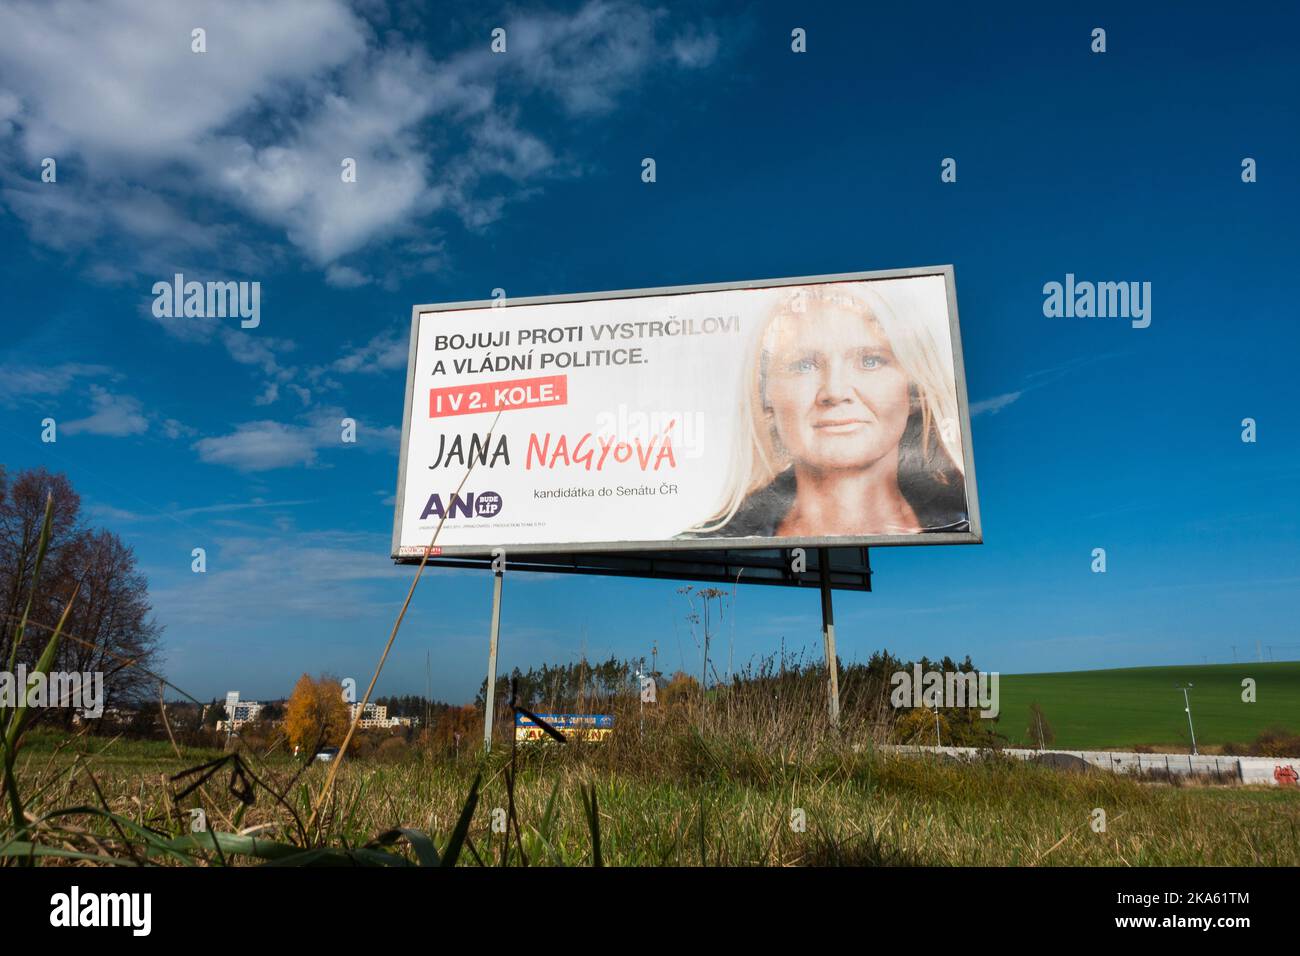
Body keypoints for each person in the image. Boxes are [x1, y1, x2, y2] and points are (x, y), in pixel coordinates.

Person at [685, 281, 968, 539]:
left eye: (870, 360)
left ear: (914, 385)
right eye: (804, 365)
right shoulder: (707, 545)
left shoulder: (964, 519)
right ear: (765, 393)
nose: (834, 391)